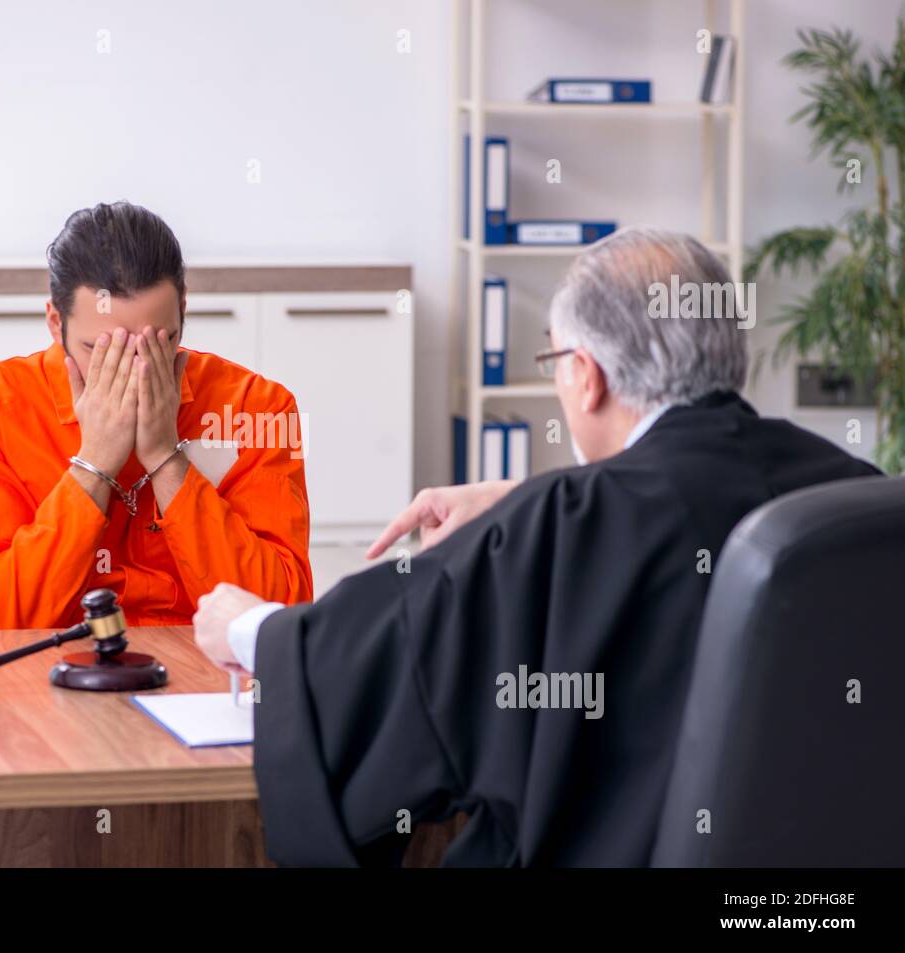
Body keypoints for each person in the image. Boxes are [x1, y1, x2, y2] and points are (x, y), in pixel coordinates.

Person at [192, 226, 880, 866]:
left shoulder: (565, 524)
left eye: (554, 359)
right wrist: (519, 503)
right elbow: (683, 513)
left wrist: (254, 629)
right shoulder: (855, 494)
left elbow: (392, 646)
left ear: (587, 374)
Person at [0, 202, 312, 630]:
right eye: (100, 349)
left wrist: (167, 460)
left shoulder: (257, 408)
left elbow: (275, 614)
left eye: (157, 343)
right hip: (42, 676)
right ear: (56, 322)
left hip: (206, 678)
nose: (133, 368)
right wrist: (94, 465)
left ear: (183, 309)